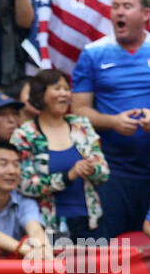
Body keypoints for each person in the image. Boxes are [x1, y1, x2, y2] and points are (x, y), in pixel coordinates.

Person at [70, 0, 150, 239]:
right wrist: (113, 122)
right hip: (109, 171)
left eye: (127, 6)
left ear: (146, 13)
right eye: (115, 6)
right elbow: (78, 111)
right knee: (109, 250)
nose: (119, 12)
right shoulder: (93, 52)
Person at [11, 69, 108, 239]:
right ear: (41, 93)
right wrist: (68, 176)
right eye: (57, 88)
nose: (64, 93)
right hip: (46, 227)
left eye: (66, 88)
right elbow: (26, 185)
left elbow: (104, 171)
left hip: (90, 222)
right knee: (57, 267)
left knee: (90, 267)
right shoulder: (24, 134)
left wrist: (93, 170)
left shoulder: (82, 125)